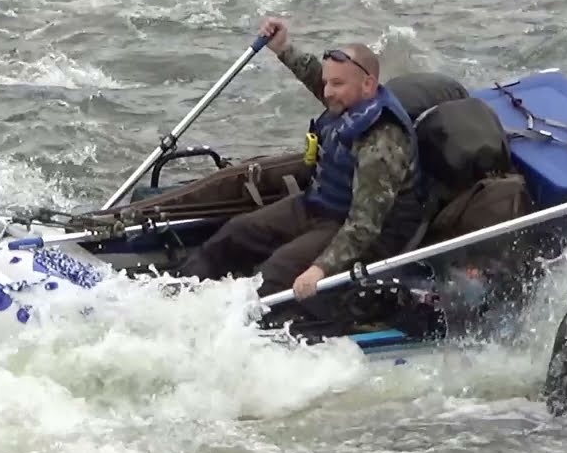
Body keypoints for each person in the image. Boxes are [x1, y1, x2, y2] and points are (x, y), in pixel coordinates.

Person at [176, 16, 428, 305]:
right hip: (316, 205)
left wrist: (320, 269)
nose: (328, 91)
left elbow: (364, 226)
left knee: (277, 271)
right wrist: (283, 48)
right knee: (236, 232)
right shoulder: (349, 101)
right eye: (327, 83)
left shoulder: (381, 142)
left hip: (347, 227)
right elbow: (316, 76)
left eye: (337, 83)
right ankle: (179, 297)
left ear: (368, 85)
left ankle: (239, 327)